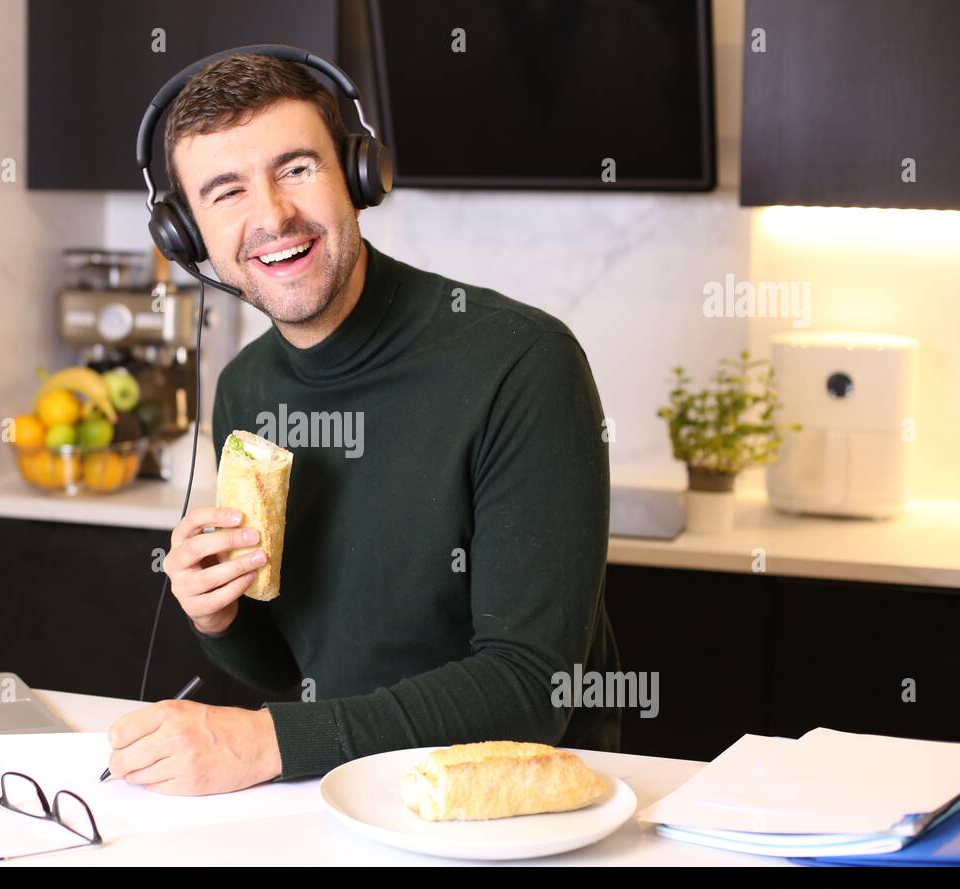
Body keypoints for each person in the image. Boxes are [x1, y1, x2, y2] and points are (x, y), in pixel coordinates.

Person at [105, 52, 619, 795]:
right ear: (188, 235)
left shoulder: (522, 363)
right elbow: (290, 669)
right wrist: (217, 615)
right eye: (225, 192)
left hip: (516, 809)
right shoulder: (246, 389)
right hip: (340, 795)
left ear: (356, 175)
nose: (272, 216)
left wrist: (266, 740)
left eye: (297, 169)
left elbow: (534, 687)